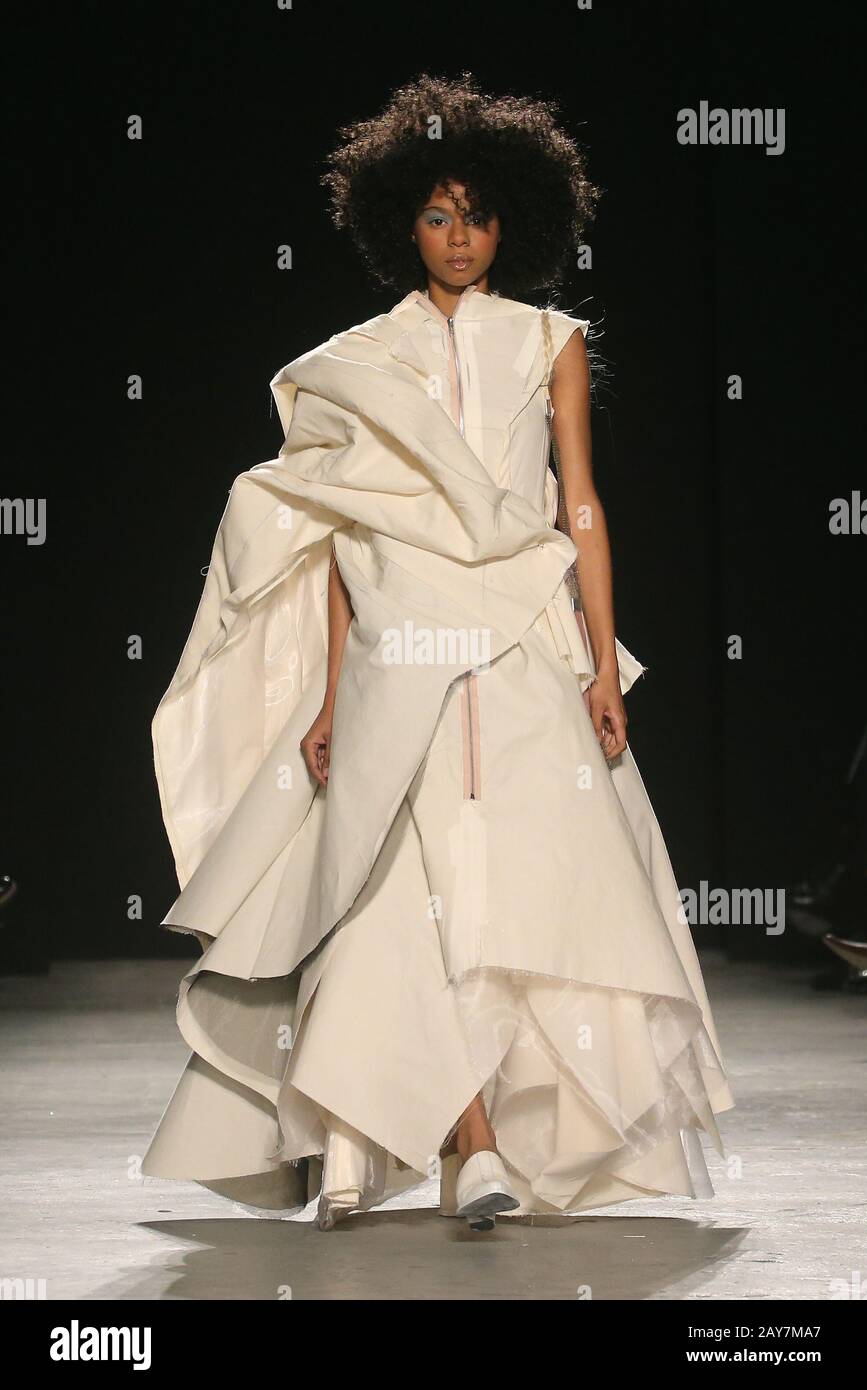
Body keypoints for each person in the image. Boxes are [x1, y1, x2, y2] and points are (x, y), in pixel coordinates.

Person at [141, 73, 734, 1232]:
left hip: (520, 640)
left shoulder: (548, 340)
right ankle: (451, 1141)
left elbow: (581, 506)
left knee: (527, 888)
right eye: (434, 214)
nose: (458, 236)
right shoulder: (363, 358)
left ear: (513, 221)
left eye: (476, 213)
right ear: (397, 223)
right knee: (398, 890)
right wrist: (325, 690)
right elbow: (341, 532)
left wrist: (603, 664)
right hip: (396, 645)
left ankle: (480, 1137)